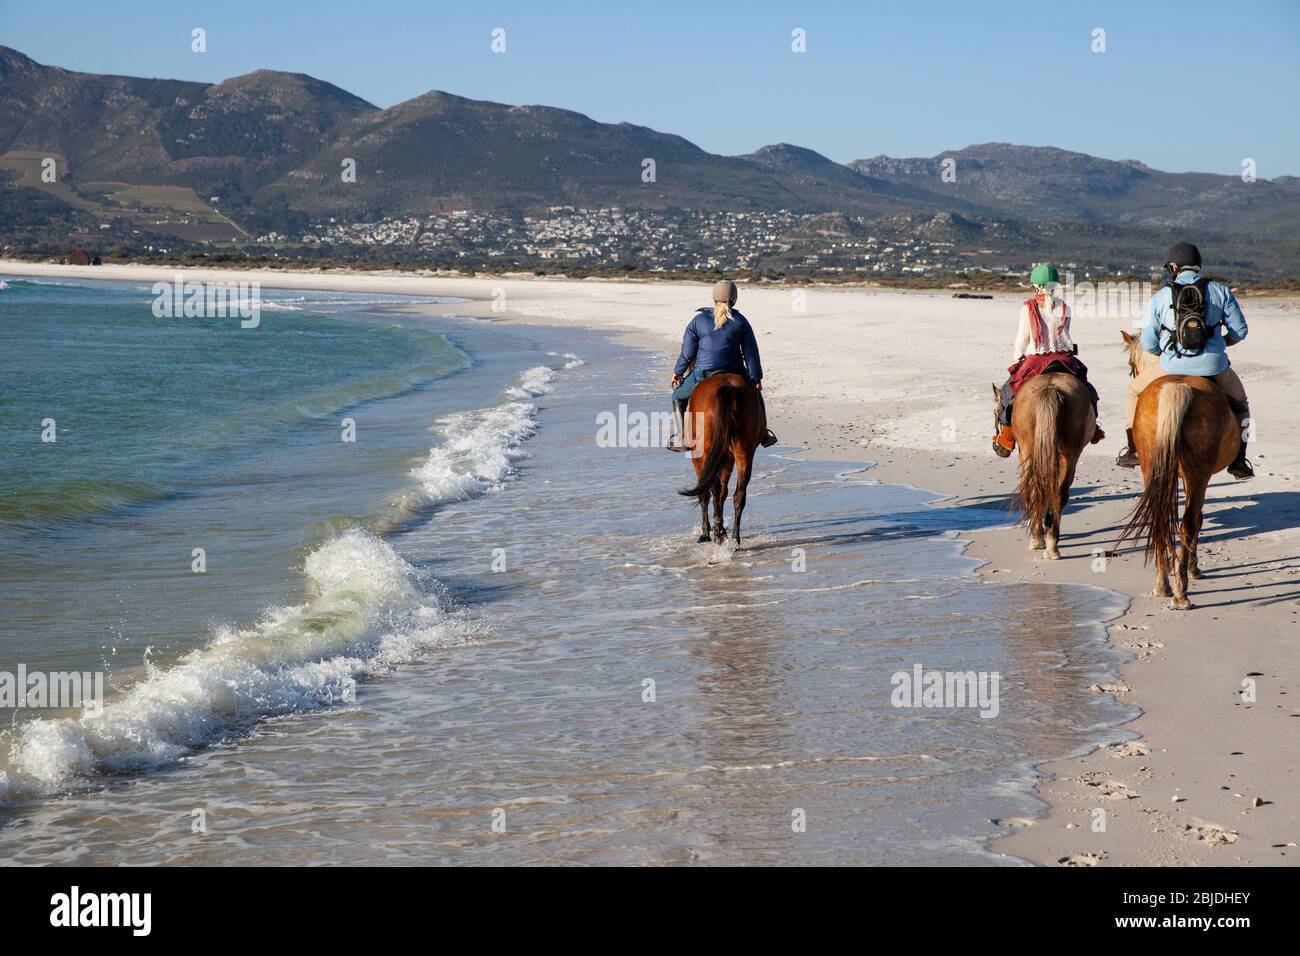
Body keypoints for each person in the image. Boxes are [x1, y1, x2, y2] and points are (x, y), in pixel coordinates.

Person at [1116, 242, 1253, 479]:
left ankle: (1134, 449)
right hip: (1213, 365)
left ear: (1173, 267)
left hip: (1171, 364)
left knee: (1133, 391)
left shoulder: (1161, 296)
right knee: (1241, 402)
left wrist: (1166, 354)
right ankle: (1240, 459)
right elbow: (1240, 331)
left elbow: (1147, 343)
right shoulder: (1220, 291)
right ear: (1197, 265)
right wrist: (1222, 344)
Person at [992, 263, 1103, 457]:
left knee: (1007, 392)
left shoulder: (1028, 308)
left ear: (1035, 285)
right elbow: (1065, 334)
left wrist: (1018, 357)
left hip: (1036, 359)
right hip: (1064, 358)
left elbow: (1022, 339)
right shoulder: (1064, 307)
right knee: (1087, 389)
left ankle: (1007, 435)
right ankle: (1093, 428)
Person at [667, 279, 777, 452]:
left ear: (714, 298)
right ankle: (763, 434)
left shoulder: (698, 320)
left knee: (677, 396)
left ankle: (682, 437)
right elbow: (751, 354)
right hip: (736, 372)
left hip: (702, 373)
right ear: (734, 299)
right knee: (755, 395)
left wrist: (678, 372)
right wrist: (756, 378)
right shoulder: (741, 321)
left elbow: (687, 353)